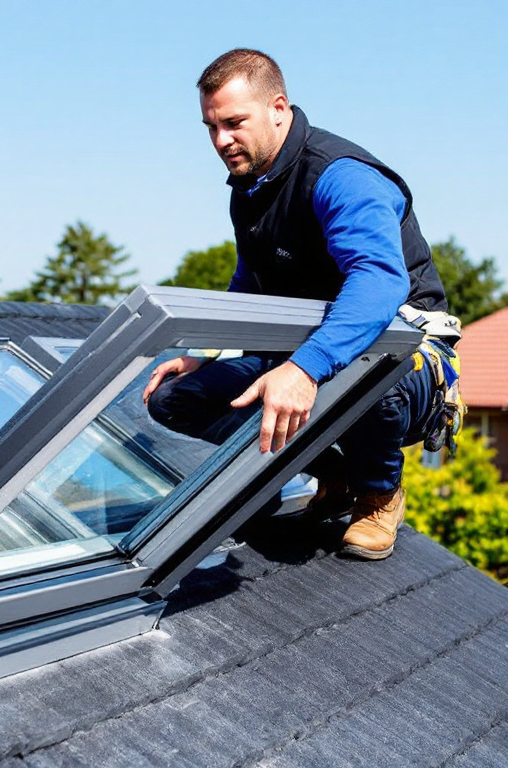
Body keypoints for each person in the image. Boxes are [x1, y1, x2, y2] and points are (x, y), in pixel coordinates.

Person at [143, 49, 457, 560]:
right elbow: (251, 282)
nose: (221, 141)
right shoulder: (250, 186)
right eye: (211, 127)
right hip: (304, 351)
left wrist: (304, 369)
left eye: (234, 123)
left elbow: (379, 282)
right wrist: (206, 350)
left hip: (403, 354)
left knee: (371, 376)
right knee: (173, 398)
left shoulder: (340, 176)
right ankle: (333, 471)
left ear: (278, 108)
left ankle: (378, 492)